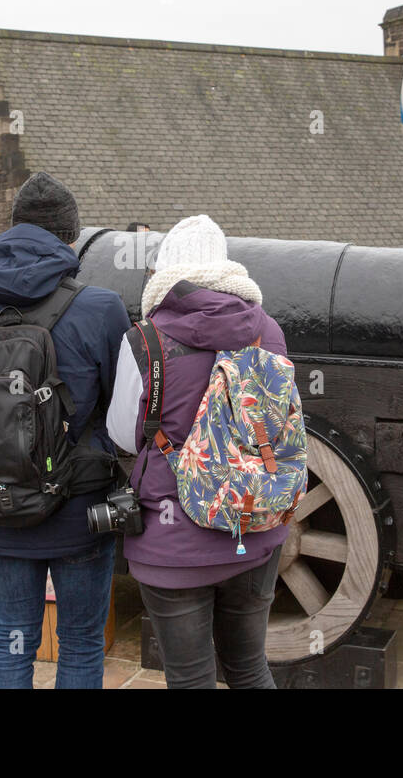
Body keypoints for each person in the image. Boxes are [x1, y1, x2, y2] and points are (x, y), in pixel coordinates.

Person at [0, 172, 130, 689]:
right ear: (70, 239)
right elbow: (119, 408)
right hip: (78, 507)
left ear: (11, 233)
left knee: (11, 639)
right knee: (78, 642)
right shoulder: (101, 307)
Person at [106, 215, 290, 689]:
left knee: (190, 679)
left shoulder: (143, 340)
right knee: (250, 668)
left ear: (166, 270)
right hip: (253, 525)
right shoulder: (267, 332)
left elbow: (124, 437)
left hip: (173, 542)